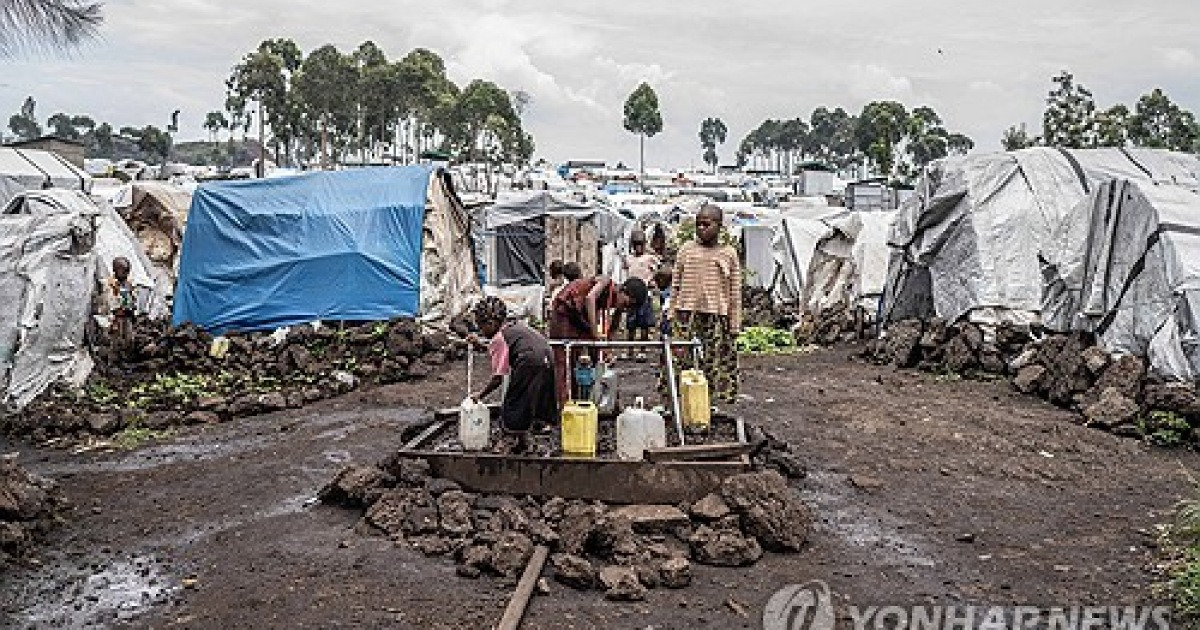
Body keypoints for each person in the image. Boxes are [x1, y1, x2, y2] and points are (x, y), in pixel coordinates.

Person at [668, 204, 742, 403]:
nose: (701, 228)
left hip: (715, 316)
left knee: (713, 362)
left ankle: (706, 404)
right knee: (678, 359)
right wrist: (670, 313)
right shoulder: (686, 250)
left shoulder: (728, 253)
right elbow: (675, 284)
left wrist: (734, 323)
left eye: (706, 224)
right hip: (685, 314)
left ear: (719, 226)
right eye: (698, 224)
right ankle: (675, 401)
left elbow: (734, 291)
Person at [470, 297, 556, 453]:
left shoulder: (499, 338)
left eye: (481, 327)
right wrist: (480, 345)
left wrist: (480, 395)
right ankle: (529, 440)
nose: (480, 331)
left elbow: (498, 378)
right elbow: (503, 351)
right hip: (547, 357)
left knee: (514, 403)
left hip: (528, 361)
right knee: (532, 400)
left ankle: (506, 443)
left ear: (490, 324)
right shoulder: (514, 326)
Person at [547, 274, 648, 406]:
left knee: (590, 357)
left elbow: (612, 330)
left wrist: (607, 350)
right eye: (626, 304)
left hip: (580, 318)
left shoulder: (617, 304)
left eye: (628, 308)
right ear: (623, 290)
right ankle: (562, 406)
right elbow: (590, 298)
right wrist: (595, 333)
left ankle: (588, 401)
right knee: (564, 360)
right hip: (565, 312)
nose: (625, 308)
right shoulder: (605, 281)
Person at [622, 230, 660, 357]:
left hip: (645, 295)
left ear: (645, 244)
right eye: (635, 244)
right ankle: (630, 350)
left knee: (644, 324)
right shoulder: (628, 259)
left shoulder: (650, 258)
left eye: (641, 244)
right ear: (632, 245)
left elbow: (658, 273)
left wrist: (651, 282)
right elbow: (626, 274)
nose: (638, 247)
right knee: (631, 325)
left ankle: (642, 351)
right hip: (631, 297)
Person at [97, 256, 138, 359]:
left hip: (127, 316)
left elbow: (133, 298)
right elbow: (108, 302)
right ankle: (115, 359)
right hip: (116, 317)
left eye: (127, 271)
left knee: (129, 338)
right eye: (123, 271)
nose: (126, 274)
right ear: (115, 270)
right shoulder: (110, 285)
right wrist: (117, 306)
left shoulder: (129, 284)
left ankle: (128, 358)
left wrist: (132, 305)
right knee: (116, 339)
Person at [653, 266, 673, 339]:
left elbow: (669, 296)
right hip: (664, 308)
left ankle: (665, 336)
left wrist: (659, 293)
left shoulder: (671, 288)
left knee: (666, 324)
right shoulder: (662, 286)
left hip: (668, 310)